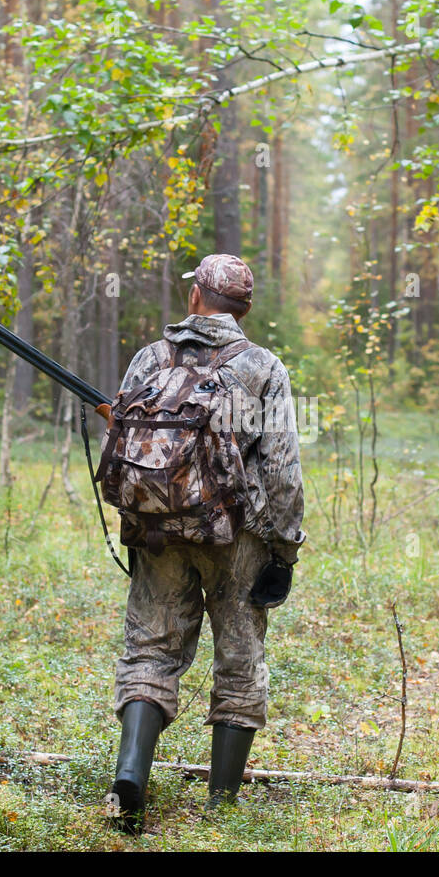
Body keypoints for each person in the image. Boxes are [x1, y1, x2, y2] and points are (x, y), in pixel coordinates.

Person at [102, 253, 305, 834]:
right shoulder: (263, 368)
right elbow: (283, 471)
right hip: (235, 535)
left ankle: (131, 781)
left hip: (158, 530)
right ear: (243, 309)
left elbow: (130, 444)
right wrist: (283, 551)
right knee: (239, 659)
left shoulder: (149, 358)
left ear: (196, 299)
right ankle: (220, 807)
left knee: (151, 649)